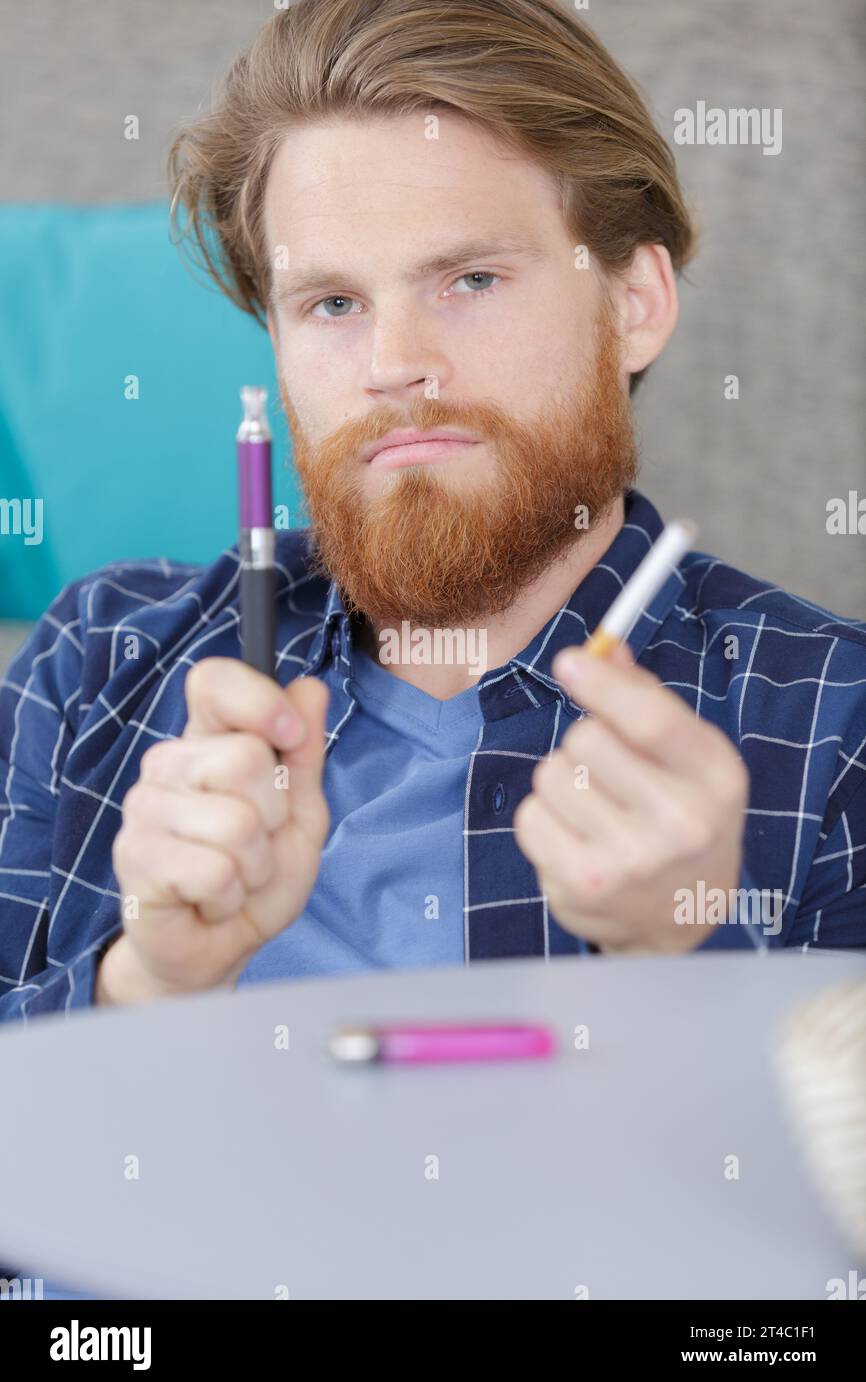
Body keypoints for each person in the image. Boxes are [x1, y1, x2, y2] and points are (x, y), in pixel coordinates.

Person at [2, 0, 865, 1028]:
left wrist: (680, 951)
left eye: (468, 279)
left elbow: (831, 1171)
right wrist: (145, 983)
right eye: (331, 303)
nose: (392, 364)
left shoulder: (833, 718)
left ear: (632, 302)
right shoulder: (97, 658)